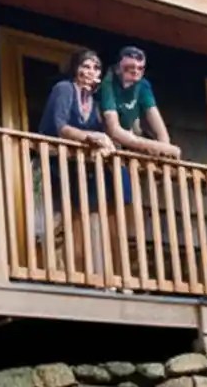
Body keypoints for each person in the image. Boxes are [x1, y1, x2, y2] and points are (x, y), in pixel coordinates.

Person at [38, 49, 129, 274]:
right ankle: (60, 270)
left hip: (80, 169)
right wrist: (92, 137)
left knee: (91, 216)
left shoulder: (95, 102)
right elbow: (60, 127)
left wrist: (106, 95)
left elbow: (111, 130)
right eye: (85, 66)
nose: (90, 72)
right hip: (55, 164)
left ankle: (103, 272)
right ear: (75, 69)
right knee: (61, 222)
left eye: (96, 68)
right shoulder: (64, 89)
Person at [98, 46, 181, 160]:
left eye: (140, 68)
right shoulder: (108, 82)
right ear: (118, 67)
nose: (136, 71)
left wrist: (166, 150)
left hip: (129, 135)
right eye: (130, 67)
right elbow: (114, 130)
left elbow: (158, 124)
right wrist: (156, 147)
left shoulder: (143, 85)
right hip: (104, 137)